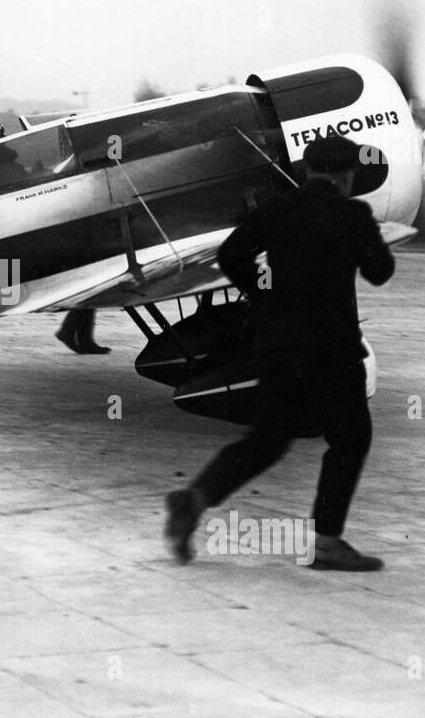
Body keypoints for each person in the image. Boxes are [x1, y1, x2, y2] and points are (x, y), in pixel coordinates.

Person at [163, 133, 394, 572]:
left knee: (267, 440)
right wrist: (367, 233)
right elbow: (380, 273)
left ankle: (194, 498)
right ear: (346, 175)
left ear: (308, 170)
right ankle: (326, 543)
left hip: (276, 344)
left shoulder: (277, 209)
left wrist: (266, 293)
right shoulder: (353, 213)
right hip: (332, 349)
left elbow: (232, 256)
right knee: (350, 439)